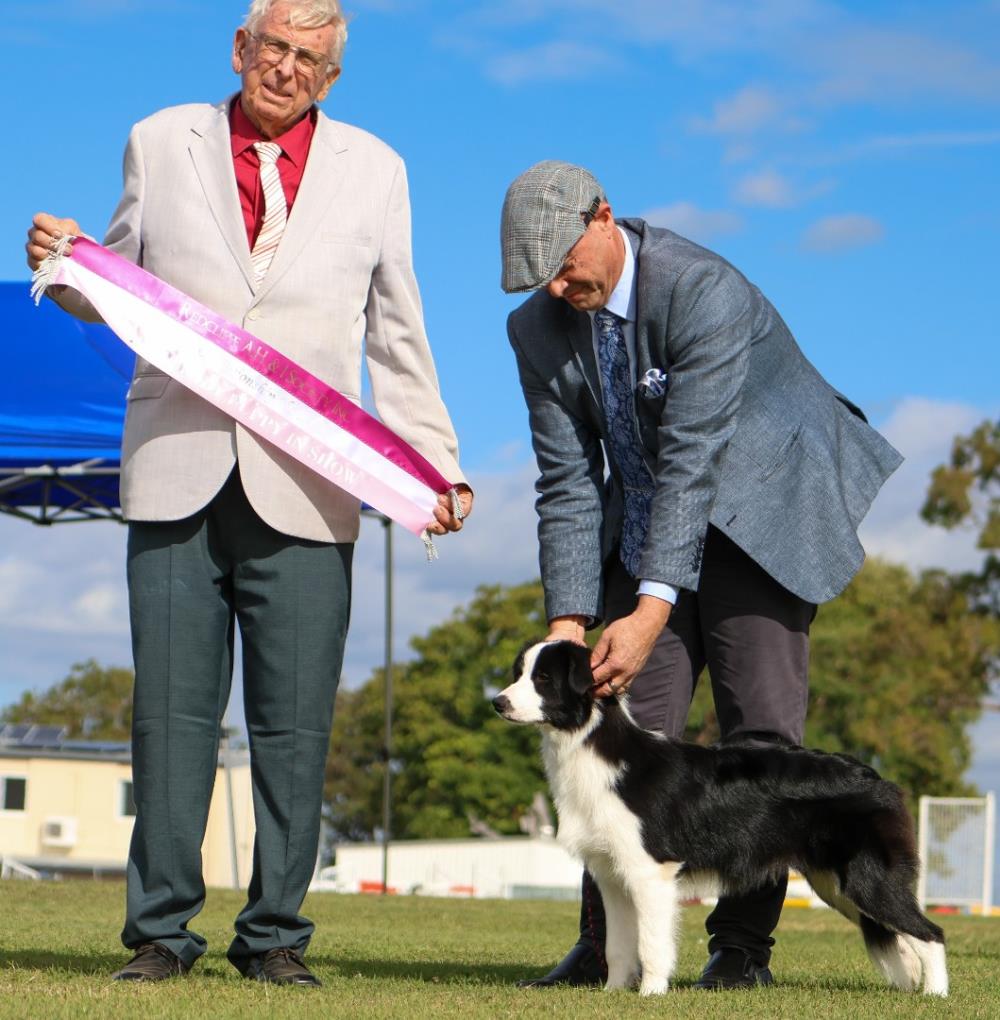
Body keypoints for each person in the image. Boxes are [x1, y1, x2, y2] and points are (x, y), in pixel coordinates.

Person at [25, 0, 472, 987]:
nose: (285, 68)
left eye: (308, 58)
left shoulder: (379, 171)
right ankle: (160, 936)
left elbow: (398, 330)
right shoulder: (158, 139)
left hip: (313, 486)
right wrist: (62, 268)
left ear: (331, 77)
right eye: (272, 48)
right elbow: (119, 285)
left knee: (295, 724)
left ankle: (274, 936)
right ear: (240, 49)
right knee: (169, 722)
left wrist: (434, 461)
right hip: (175, 464)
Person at [500, 161, 901, 991]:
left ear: (605, 216)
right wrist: (570, 625)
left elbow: (691, 460)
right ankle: (607, 950)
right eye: (539, 274)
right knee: (617, 731)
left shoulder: (702, 286)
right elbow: (569, 479)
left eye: (568, 261)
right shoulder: (536, 329)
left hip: (765, 507)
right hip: (653, 522)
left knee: (759, 733)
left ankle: (741, 952)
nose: (557, 284)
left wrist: (651, 609)